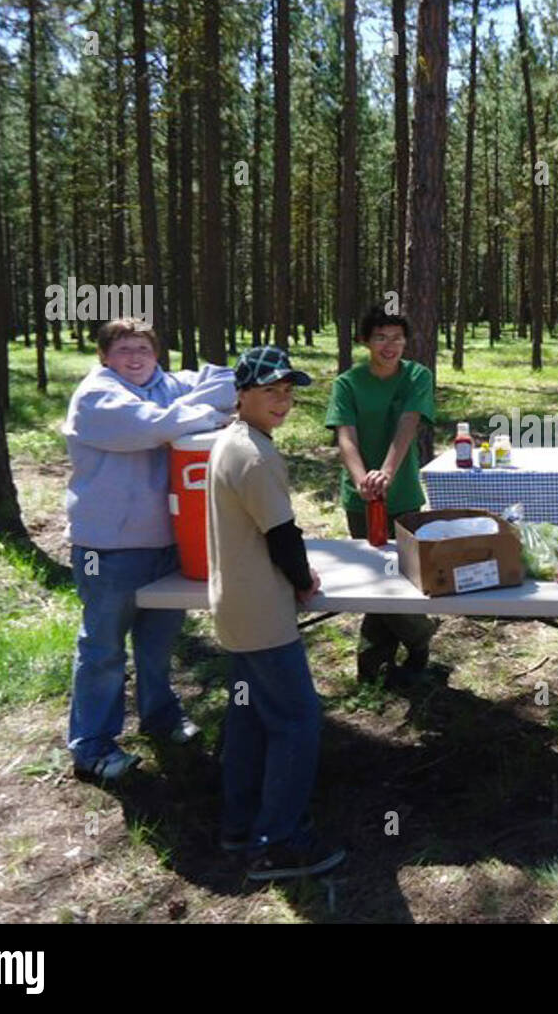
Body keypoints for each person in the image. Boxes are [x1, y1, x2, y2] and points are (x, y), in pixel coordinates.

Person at [63, 319, 235, 781]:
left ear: (157, 353)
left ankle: (161, 716)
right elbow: (153, 427)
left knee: (158, 644)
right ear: (104, 357)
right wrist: (201, 411)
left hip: (167, 543)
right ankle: (93, 745)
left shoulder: (167, 384)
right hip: (110, 547)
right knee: (102, 649)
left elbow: (227, 381)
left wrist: (190, 404)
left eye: (142, 349)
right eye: (122, 350)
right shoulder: (96, 397)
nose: (134, 358)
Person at [206, 345, 346, 881]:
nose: (282, 401)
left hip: (235, 607)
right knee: (296, 722)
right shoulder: (255, 455)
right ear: (242, 394)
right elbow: (283, 535)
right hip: (262, 614)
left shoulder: (232, 442)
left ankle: (239, 826)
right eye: (271, 391)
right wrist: (303, 579)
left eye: (288, 392)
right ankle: (280, 842)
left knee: (249, 722)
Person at [324, 305, 438, 683]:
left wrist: (386, 473)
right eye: (380, 337)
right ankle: (416, 638)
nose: (390, 345)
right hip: (361, 498)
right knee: (376, 578)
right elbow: (345, 434)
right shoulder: (348, 383)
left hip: (402, 491)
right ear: (365, 341)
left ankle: (379, 662)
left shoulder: (417, 376)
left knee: (405, 576)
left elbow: (409, 423)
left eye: (397, 337)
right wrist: (362, 480)